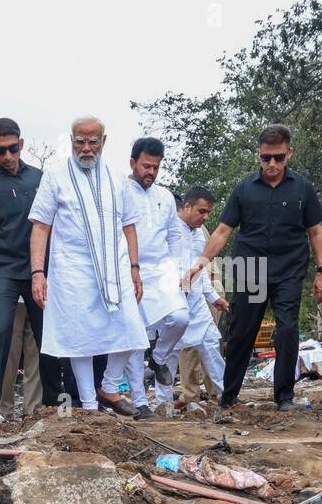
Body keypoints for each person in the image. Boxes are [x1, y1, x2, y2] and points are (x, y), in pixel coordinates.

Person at [184, 124, 322, 411]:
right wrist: (201, 263)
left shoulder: (303, 189)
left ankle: (284, 397)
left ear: (290, 154)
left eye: (279, 158)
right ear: (258, 154)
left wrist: (321, 271)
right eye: (266, 157)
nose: (272, 164)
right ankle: (229, 396)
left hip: (289, 269)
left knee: (287, 330)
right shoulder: (244, 189)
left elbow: (316, 232)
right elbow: (223, 231)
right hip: (250, 268)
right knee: (241, 332)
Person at [29, 116, 148, 413]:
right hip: (72, 268)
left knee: (131, 329)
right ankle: (90, 403)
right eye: (80, 141)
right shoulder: (55, 176)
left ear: (103, 142)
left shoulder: (117, 177)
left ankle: (109, 387)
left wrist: (135, 268)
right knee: (78, 336)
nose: (86, 148)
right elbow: (41, 226)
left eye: (92, 141)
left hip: (116, 268)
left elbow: (130, 225)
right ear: (71, 141)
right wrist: (38, 273)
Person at [0, 118, 59, 427]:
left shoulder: (39, 179)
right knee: (0, 330)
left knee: (48, 335)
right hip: (2, 270)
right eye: (1, 151)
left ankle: (51, 403)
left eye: (13, 149)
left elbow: (52, 226)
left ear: (21, 144)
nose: (8, 156)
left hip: (36, 269)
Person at [124, 137, 190, 417]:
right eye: (145, 166)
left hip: (162, 269)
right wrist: (127, 268)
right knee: (136, 339)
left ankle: (160, 358)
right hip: (131, 271)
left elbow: (175, 234)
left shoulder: (164, 195)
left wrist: (177, 268)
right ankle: (140, 400)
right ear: (133, 163)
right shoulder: (120, 191)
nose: (150, 172)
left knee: (180, 318)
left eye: (156, 167)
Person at [176, 186, 228, 407]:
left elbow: (203, 268)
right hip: (176, 300)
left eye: (208, 212)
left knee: (210, 344)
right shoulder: (170, 230)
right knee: (179, 349)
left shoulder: (200, 232)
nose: (205, 217)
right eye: (202, 211)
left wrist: (214, 295)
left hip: (200, 297)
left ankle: (223, 394)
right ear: (186, 206)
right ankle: (185, 397)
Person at [0, 299, 43, 419]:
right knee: (9, 351)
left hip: (40, 296)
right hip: (11, 295)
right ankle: (5, 407)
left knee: (35, 352)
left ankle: (32, 409)